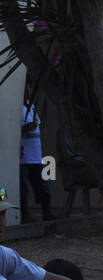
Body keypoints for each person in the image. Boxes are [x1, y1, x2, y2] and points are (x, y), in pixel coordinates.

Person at [20, 76, 52, 223]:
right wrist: (25, 128)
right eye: (27, 87)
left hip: (36, 155)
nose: (29, 90)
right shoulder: (16, 108)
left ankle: (47, 212)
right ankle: (24, 215)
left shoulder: (31, 107)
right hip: (23, 156)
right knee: (23, 188)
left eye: (30, 87)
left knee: (43, 184)